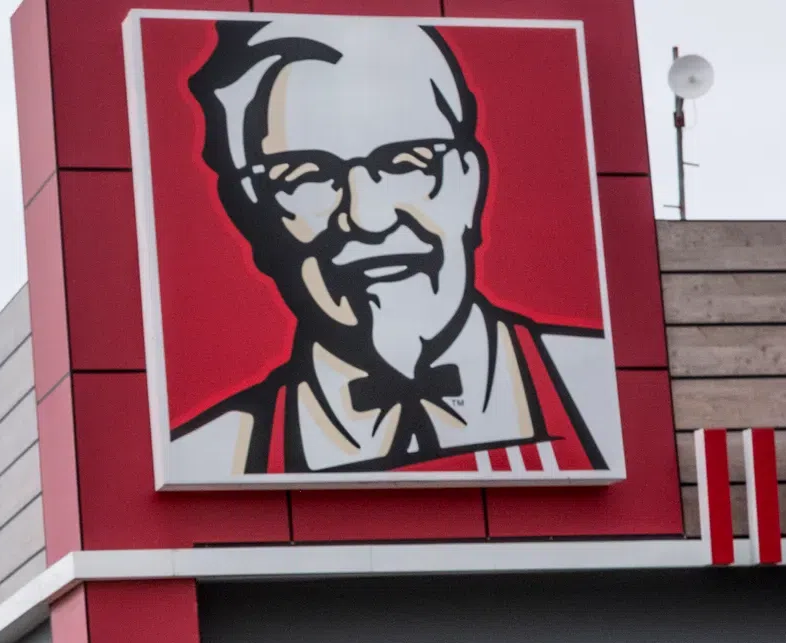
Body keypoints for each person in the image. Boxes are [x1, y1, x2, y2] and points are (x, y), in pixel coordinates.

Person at [166, 18, 622, 480]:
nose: (369, 218)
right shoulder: (213, 458)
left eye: (407, 162)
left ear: (470, 183)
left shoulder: (600, 396)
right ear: (252, 217)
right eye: (304, 176)